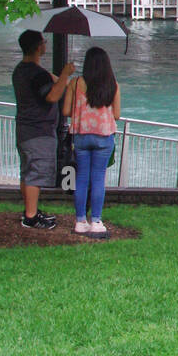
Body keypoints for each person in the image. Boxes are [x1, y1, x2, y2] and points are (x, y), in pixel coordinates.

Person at [12, 31, 75, 229]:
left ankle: (30, 210)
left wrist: (63, 79)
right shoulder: (36, 74)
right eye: (44, 42)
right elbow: (52, 96)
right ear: (39, 46)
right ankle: (31, 217)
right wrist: (65, 74)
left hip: (25, 130)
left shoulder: (22, 70)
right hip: (38, 131)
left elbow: (53, 84)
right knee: (35, 174)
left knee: (28, 172)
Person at [62, 46, 121, 238]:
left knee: (81, 178)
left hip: (81, 136)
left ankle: (80, 221)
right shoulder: (113, 85)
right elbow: (117, 115)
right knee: (98, 179)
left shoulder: (75, 83)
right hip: (104, 137)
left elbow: (65, 112)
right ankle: (96, 221)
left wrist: (82, 112)